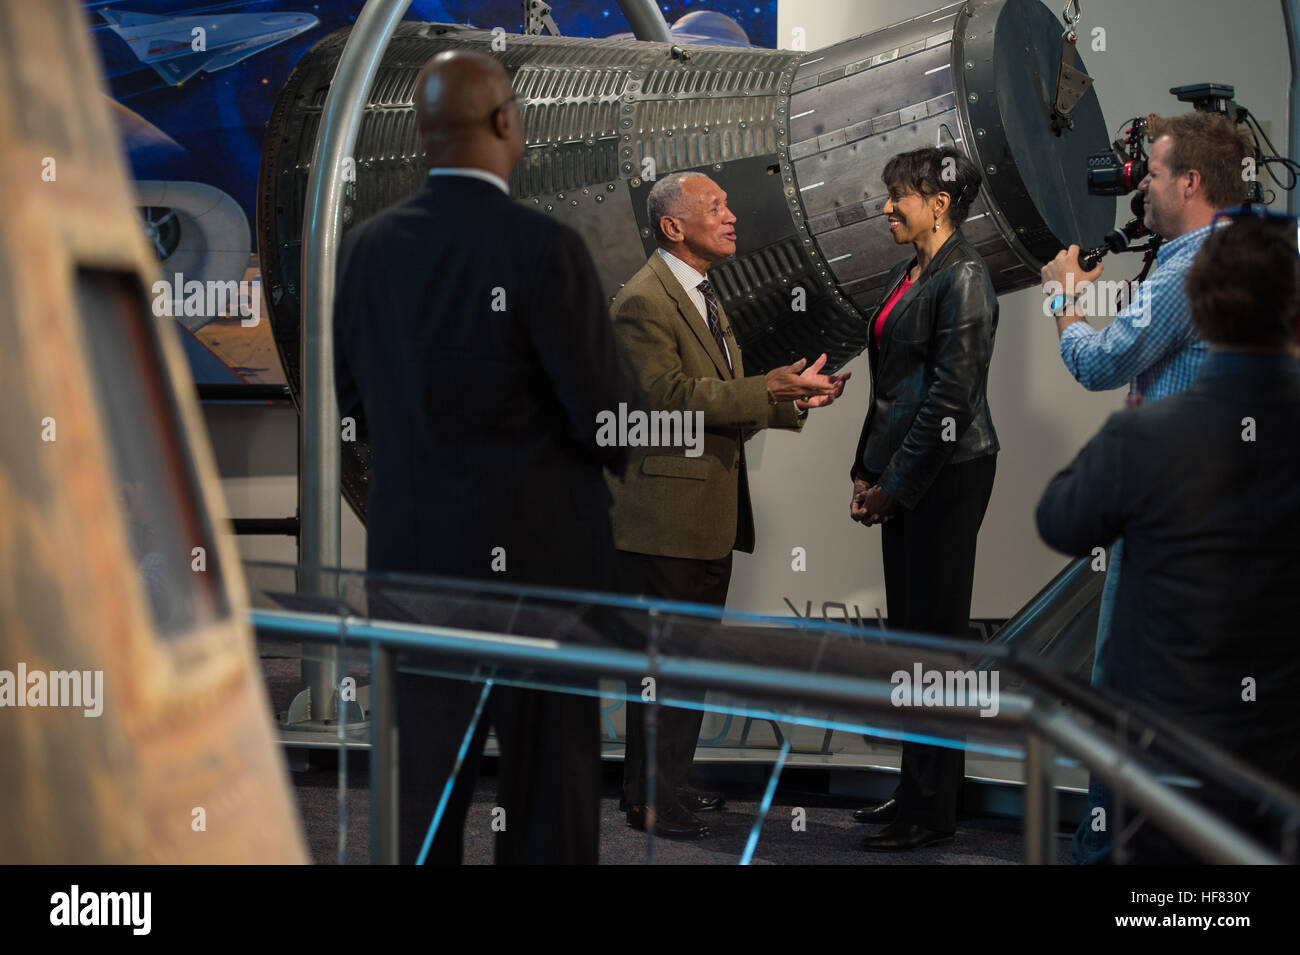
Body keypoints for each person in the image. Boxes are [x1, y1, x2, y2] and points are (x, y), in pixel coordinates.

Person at [333, 50, 632, 864]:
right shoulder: (546, 248)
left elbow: (353, 401)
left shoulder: (363, 250)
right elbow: (607, 418)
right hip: (541, 585)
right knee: (548, 807)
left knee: (419, 802)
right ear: (507, 123)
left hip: (414, 573)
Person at [1036, 209, 1300, 863]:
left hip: (1162, 765)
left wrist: (1068, 305)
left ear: (1201, 317)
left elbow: (1060, 519)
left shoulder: (1143, 437)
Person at [607, 170, 848, 839]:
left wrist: (789, 396)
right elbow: (665, 400)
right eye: (716, 206)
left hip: (700, 517)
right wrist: (764, 388)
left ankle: (666, 786)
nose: (732, 215)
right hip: (663, 520)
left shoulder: (701, 294)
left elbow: (718, 396)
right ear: (673, 227)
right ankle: (649, 799)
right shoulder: (642, 301)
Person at [848, 146, 998, 852]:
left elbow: (949, 400)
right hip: (908, 475)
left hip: (948, 474)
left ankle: (933, 809)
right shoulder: (911, 271)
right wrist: (864, 469)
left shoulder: (964, 274)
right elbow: (891, 385)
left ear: (937, 201)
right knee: (913, 643)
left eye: (897, 195)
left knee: (933, 646)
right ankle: (915, 790)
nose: (885, 207)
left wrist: (894, 489)